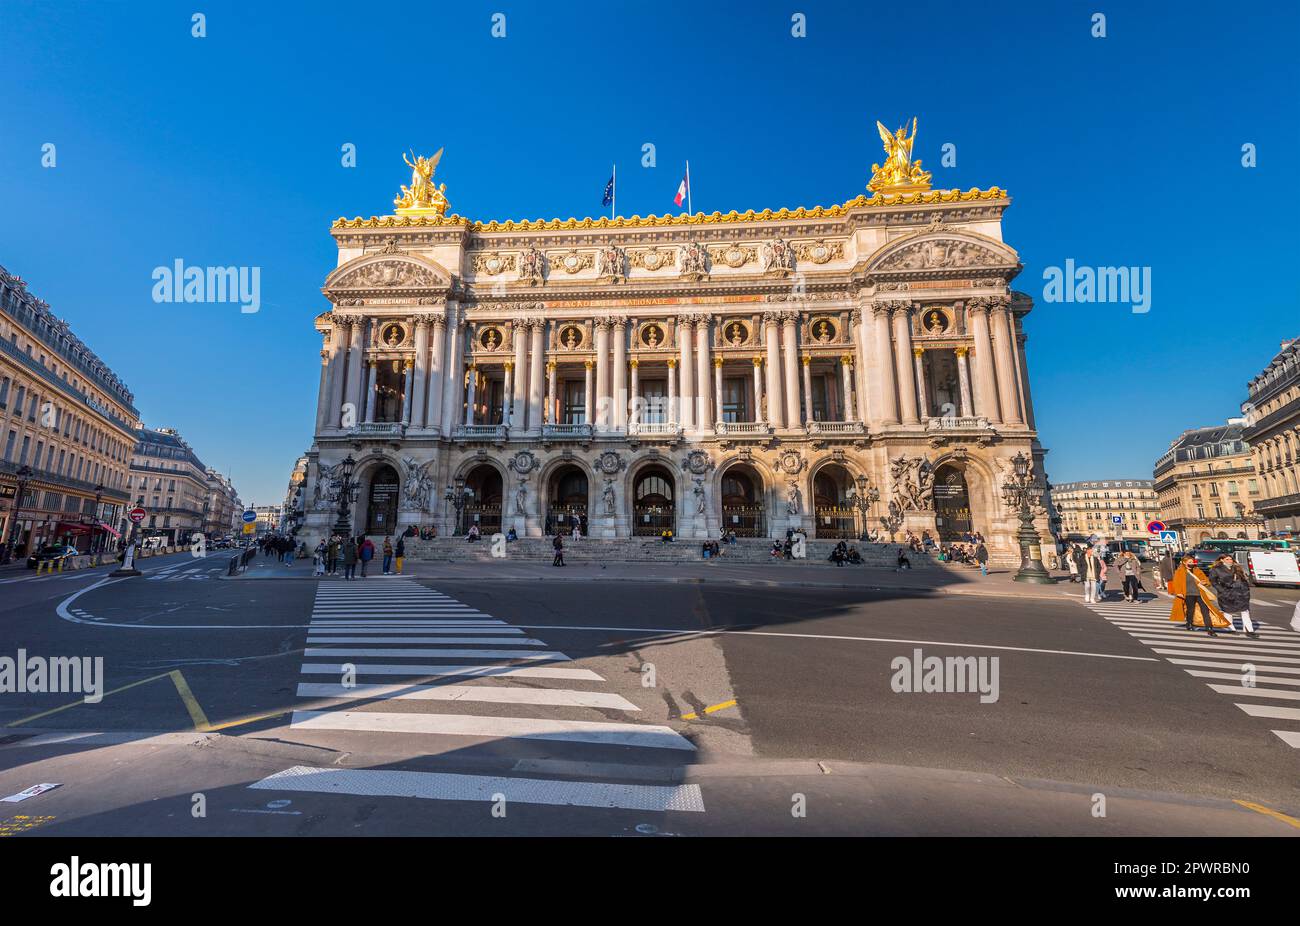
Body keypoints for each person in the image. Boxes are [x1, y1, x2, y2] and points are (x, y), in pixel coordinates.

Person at [1167, 553, 1222, 636]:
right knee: (1190, 610)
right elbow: (1176, 583)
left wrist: (1205, 582)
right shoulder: (1180, 572)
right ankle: (1189, 623)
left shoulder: (1197, 570)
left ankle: (1210, 629)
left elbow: (1206, 579)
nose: (1192, 563)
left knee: (1205, 611)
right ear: (1184, 562)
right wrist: (1178, 592)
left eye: (1192, 561)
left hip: (1200, 594)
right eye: (1189, 561)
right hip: (1188, 594)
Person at [1210, 554, 1258, 638]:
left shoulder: (1237, 568)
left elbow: (1243, 580)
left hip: (1240, 593)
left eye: (1231, 559)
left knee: (1245, 611)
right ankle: (1230, 628)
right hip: (1226, 593)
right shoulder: (1216, 569)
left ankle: (1249, 630)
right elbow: (1213, 582)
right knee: (1228, 612)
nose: (1230, 561)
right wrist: (1222, 590)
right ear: (1222, 560)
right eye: (1227, 559)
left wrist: (1246, 590)